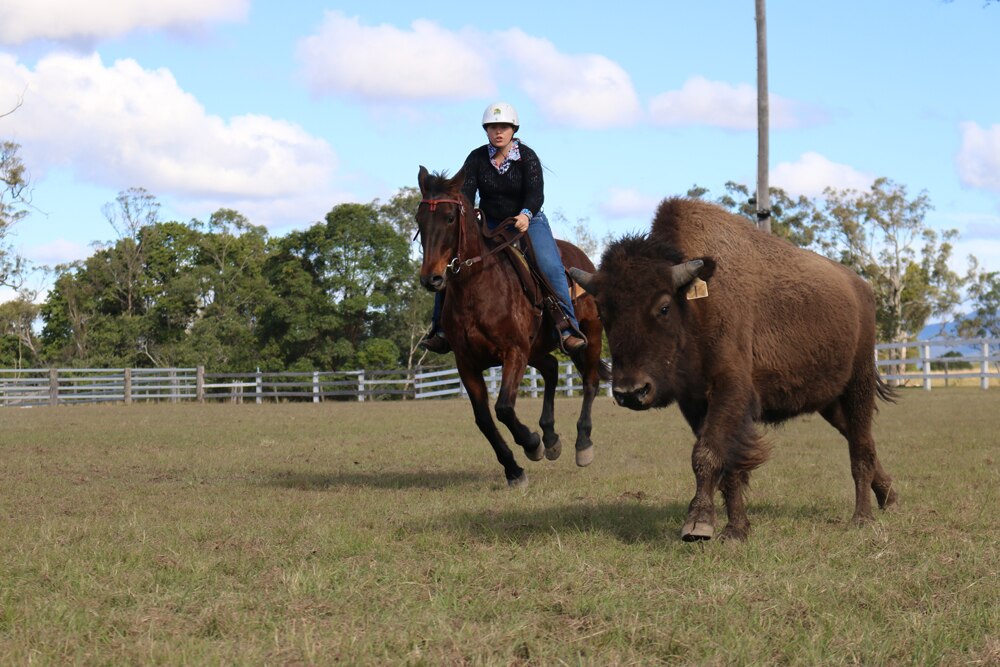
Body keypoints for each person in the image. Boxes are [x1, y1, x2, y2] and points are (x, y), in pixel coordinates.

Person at [420, 101, 587, 355]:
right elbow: (465, 194)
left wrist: (526, 214)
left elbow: (536, 194)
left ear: (513, 129)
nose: (498, 132)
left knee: (549, 264)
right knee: (453, 263)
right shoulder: (476, 158)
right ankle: (440, 329)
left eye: (504, 127)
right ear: (486, 130)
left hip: (527, 222)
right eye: (493, 127)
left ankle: (567, 327)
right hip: (489, 224)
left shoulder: (527, 157)